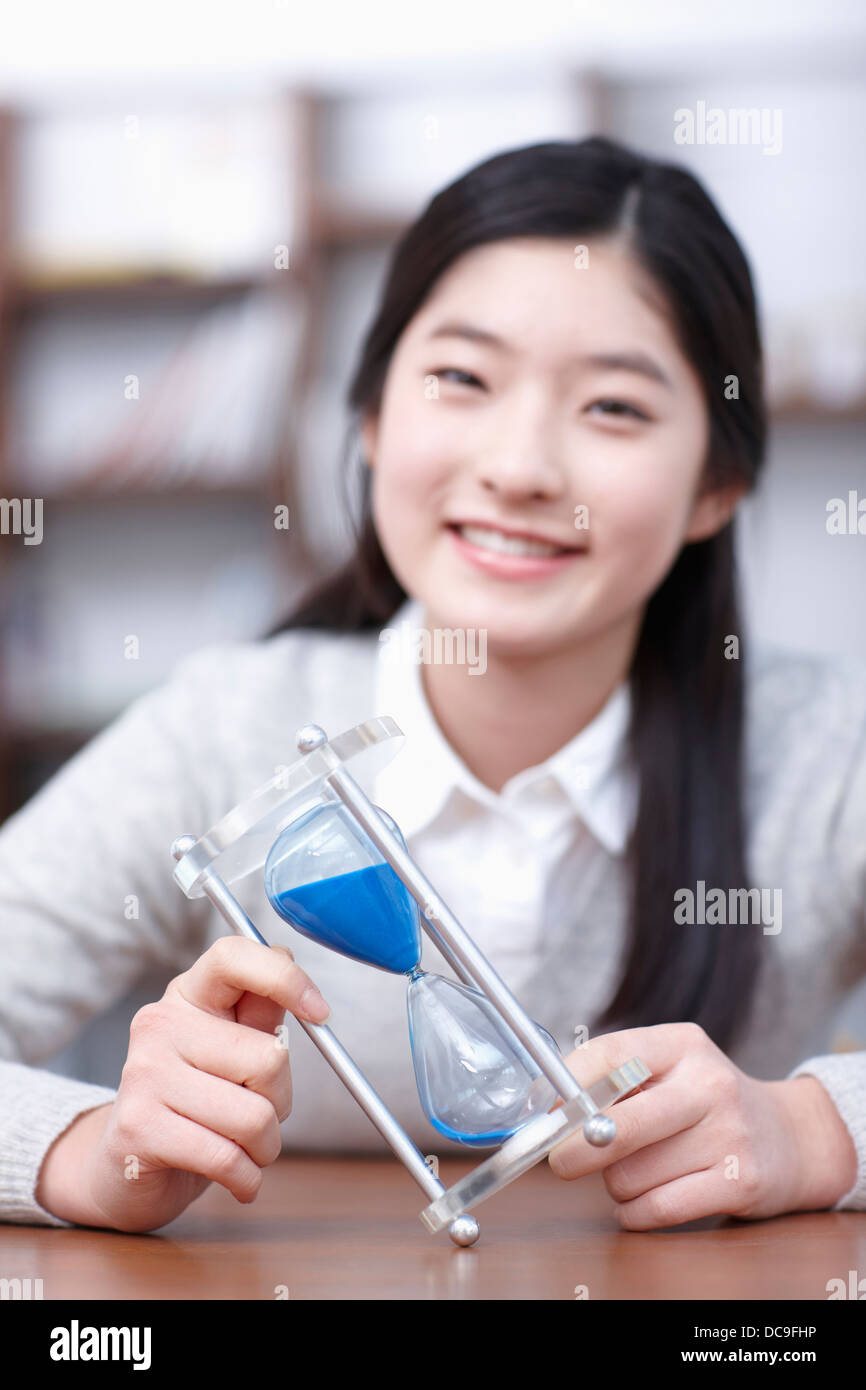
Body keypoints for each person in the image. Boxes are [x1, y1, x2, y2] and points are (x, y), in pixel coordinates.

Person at [1, 136, 863, 1236]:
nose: (518, 465)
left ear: (716, 484)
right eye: (460, 378)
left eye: (611, 407)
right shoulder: (218, 730)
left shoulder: (822, 749)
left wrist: (811, 1130)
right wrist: (81, 1152)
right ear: (367, 420)